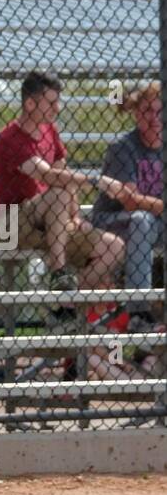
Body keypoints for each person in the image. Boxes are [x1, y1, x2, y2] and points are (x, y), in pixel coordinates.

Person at [0, 71, 125, 298]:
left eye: (57, 102)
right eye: (51, 102)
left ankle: (65, 303)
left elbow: (63, 172)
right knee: (58, 194)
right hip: (13, 225)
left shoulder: (49, 130)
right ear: (30, 104)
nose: (57, 108)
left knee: (115, 246)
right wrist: (94, 181)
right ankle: (58, 272)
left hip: (52, 224)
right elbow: (49, 177)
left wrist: (75, 216)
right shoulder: (10, 138)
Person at [90, 82, 164, 333]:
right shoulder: (124, 147)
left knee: (145, 219)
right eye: (146, 111)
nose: (153, 118)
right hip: (112, 221)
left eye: (159, 110)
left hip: (156, 221)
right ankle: (138, 312)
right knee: (140, 220)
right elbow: (129, 200)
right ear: (135, 113)